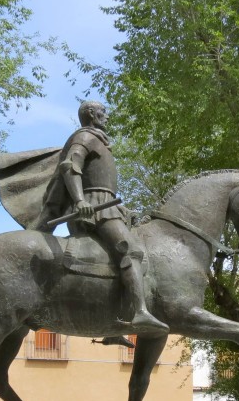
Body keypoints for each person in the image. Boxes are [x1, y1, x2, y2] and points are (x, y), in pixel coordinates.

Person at [31, 100, 168, 334]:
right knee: (129, 250)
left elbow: (103, 184)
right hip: (94, 208)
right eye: (103, 112)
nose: (107, 116)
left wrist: (123, 211)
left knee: (114, 257)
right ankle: (140, 312)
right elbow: (70, 167)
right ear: (92, 114)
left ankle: (113, 329)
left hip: (107, 206)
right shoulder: (85, 137)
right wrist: (80, 200)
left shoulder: (100, 140)